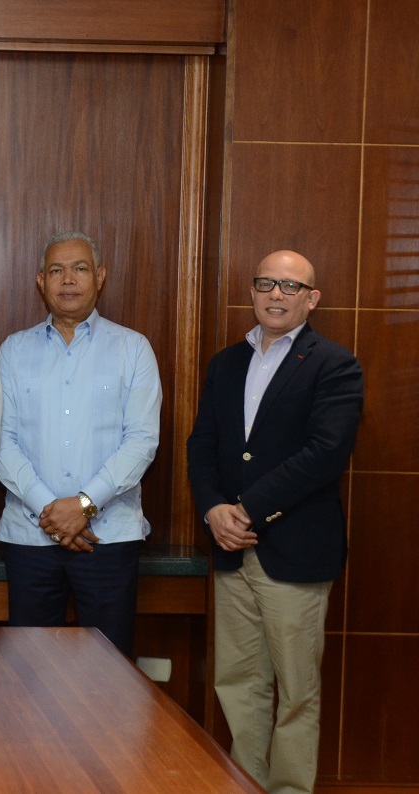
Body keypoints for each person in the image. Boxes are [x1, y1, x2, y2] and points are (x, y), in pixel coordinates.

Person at [187, 250, 362, 794]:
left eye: (291, 285)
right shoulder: (225, 363)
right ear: (254, 291)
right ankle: (246, 785)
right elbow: (203, 446)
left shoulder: (335, 364)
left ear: (311, 299)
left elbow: (325, 452)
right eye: (266, 283)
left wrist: (246, 510)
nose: (276, 294)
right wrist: (214, 508)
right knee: (238, 683)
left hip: (294, 550)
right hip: (231, 548)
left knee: (296, 691)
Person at [0, 230, 161, 658]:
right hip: (31, 538)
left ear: (100, 277)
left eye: (80, 268)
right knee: (28, 673)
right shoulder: (13, 350)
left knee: (110, 674)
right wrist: (51, 510)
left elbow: (141, 441)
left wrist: (83, 506)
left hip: (108, 537)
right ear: (40, 281)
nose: (69, 279)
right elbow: (0, 440)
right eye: (57, 270)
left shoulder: (133, 349)